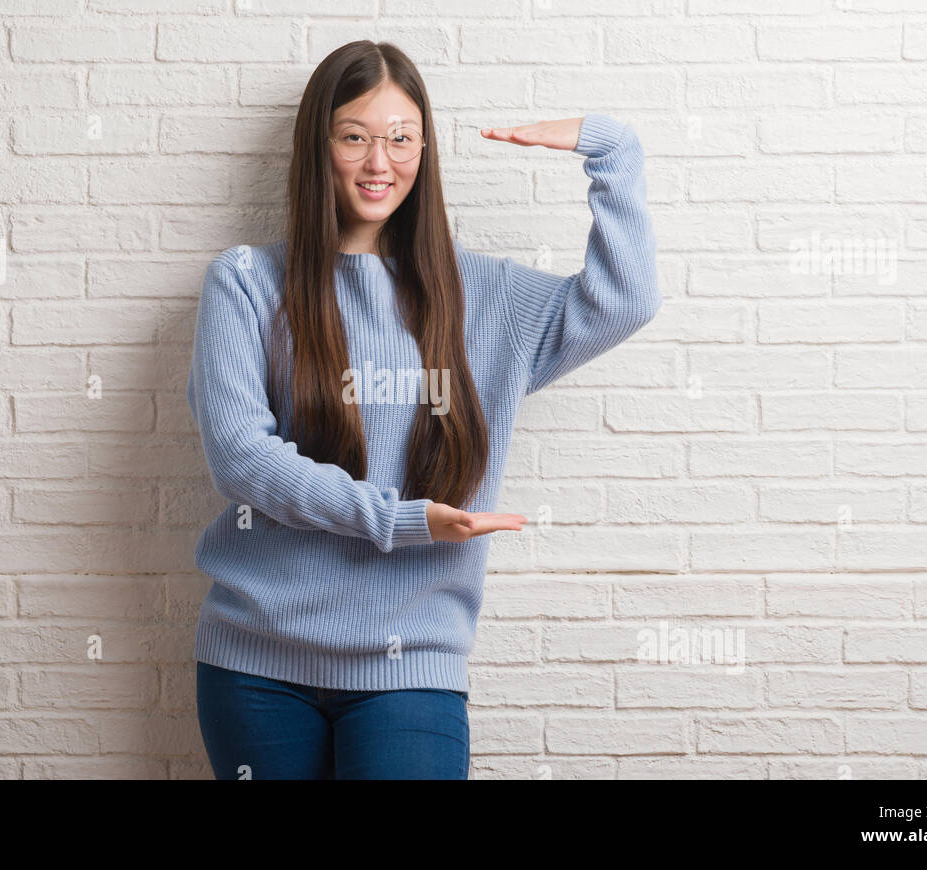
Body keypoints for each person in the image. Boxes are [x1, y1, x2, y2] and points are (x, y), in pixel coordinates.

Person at [187, 39, 661, 779]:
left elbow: (624, 300)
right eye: (355, 137)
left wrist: (612, 152)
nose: (381, 162)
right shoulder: (247, 284)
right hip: (256, 664)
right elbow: (242, 458)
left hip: (414, 667)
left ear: (424, 148)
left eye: (401, 138)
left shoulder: (486, 297)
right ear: (319, 145)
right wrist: (401, 520)